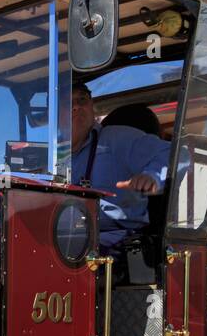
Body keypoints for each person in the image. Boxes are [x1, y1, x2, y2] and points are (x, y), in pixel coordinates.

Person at [57, 82, 171, 256]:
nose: (76, 107)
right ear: (54, 114)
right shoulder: (49, 154)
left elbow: (173, 152)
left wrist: (152, 176)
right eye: (67, 102)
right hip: (62, 237)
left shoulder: (117, 138)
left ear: (91, 106)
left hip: (114, 241)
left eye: (82, 99)